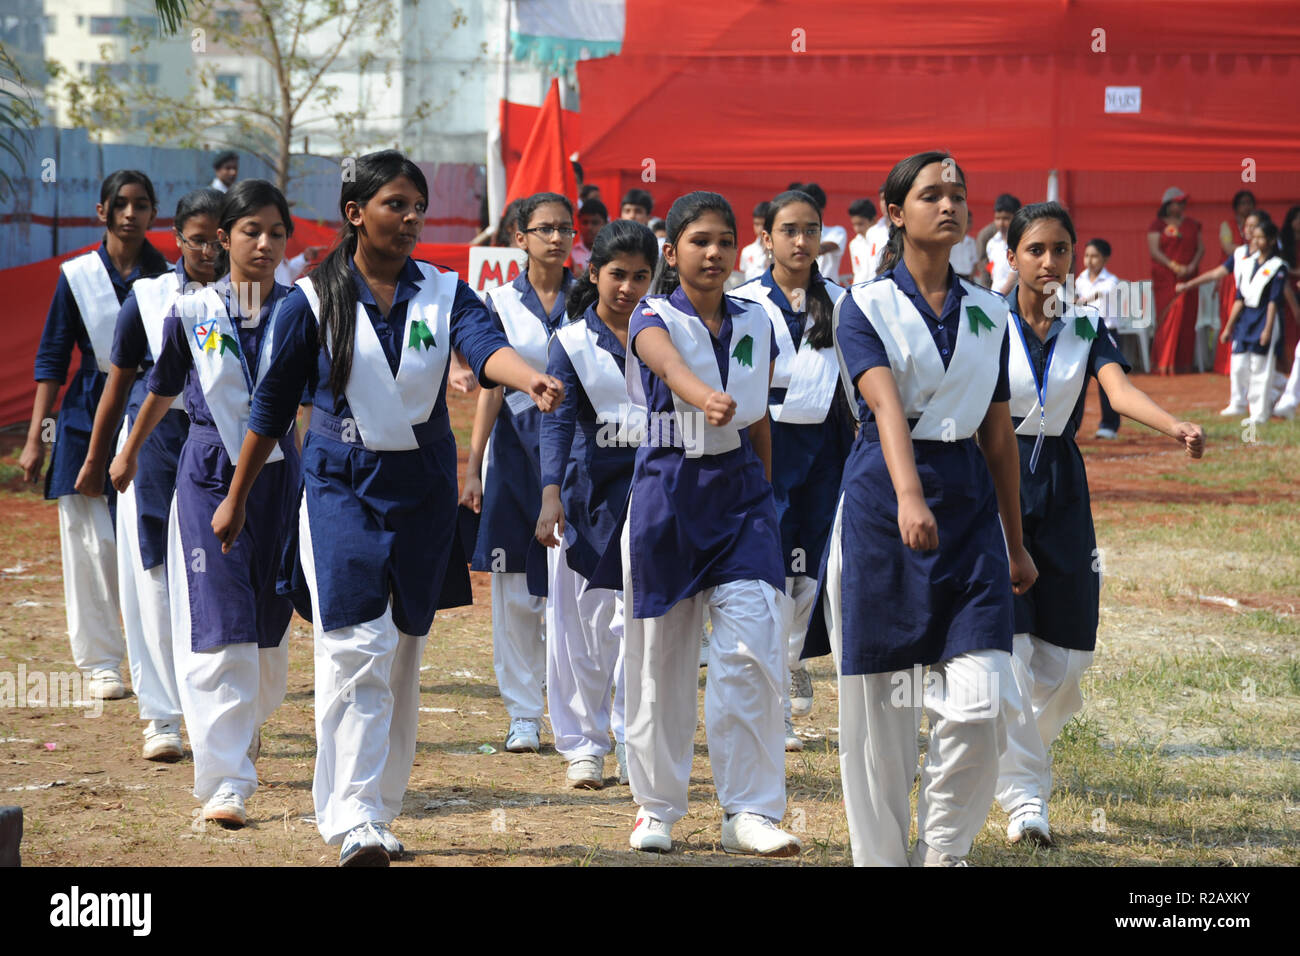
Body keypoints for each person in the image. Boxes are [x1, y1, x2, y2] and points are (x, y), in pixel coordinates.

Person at [210, 152, 561, 866]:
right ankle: (355, 815)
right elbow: (273, 408)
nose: (409, 219)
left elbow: (484, 346)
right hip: (340, 485)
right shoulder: (308, 300)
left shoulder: (446, 290)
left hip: (422, 492)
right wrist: (238, 497)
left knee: (402, 649)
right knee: (355, 645)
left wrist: (529, 379)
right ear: (354, 214)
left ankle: (371, 805)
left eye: (416, 208)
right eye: (394, 205)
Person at [804, 151, 1037, 867]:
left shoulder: (992, 312)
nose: (951, 205)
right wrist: (908, 496)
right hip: (882, 502)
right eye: (932, 194)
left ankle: (944, 849)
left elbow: (999, 436)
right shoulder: (862, 306)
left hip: (967, 512)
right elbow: (881, 403)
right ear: (894, 212)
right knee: (880, 712)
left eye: (958, 195)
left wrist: (1015, 541)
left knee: (979, 698)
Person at [591, 190, 801, 857]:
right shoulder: (652, 312)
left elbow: (760, 414)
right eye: (699, 241)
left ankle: (750, 811)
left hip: (740, 498)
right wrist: (703, 394)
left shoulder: (758, 320)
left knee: (752, 652)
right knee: (660, 663)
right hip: (668, 497)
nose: (713, 253)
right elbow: (665, 362)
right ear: (673, 251)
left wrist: (762, 488)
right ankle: (655, 808)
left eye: (723, 240)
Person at [996, 202, 1204, 845]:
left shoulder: (1086, 325)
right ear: (1011, 257)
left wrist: (1174, 425)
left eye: (1061, 249)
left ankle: (1017, 759)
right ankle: (1024, 796)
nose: (1050, 262)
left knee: (1068, 661)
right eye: (1036, 250)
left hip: (1060, 486)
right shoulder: (980, 319)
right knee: (1010, 651)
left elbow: (1116, 393)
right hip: (994, 478)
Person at [109, 179, 300, 833]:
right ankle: (225, 782)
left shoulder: (300, 311)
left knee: (269, 633)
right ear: (224, 238)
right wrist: (129, 451)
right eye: (252, 230)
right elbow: (160, 385)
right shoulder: (193, 311)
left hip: (280, 481)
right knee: (220, 628)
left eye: (277, 232)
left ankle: (243, 726)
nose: (265, 243)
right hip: (208, 479)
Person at [77, 187, 224, 761]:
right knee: (153, 577)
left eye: (219, 238)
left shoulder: (258, 298)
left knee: (220, 573)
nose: (209, 251)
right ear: (177, 240)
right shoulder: (148, 296)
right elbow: (118, 382)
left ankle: (226, 712)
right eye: (197, 239)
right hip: (155, 443)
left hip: (224, 444)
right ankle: (161, 716)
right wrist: (98, 458)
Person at [21, 170, 170, 702]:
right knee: (89, 543)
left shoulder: (168, 276)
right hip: (83, 415)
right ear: (103, 210)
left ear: (154, 214)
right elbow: (52, 357)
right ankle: (102, 662)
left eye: (142, 204)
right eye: (122, 204)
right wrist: (38, 436)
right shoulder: (78, 275)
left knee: (145, 543)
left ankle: (156, 660)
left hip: (148, 415)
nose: (132, 213)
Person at [537, 220, 656, 789]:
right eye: (617, 275)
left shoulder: (666, 335)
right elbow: (556, 423)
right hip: (588, 497)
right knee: (581, 628)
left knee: (643, 625)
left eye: (641, 276)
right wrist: (550, 494)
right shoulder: (571, 343)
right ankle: (584, 744)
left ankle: (636, 739)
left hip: (655, 491)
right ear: (593, 274)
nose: (628, 288)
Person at [731, 190, 852, 751]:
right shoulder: (744, 301)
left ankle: (792, 658)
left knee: (813, 570)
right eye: (789, 230)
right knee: (767, 570)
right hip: (766, 443)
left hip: (827, 446)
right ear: (766, 238)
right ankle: (773, 696)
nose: (801, 241)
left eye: (810, 230)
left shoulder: (846, 302)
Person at [461, 192, 576, 755]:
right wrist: (476, 465)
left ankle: (572, 708)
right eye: (544, 229)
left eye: (565, 228)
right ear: (518, 236)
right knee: (513, 592)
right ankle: (523, 714)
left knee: (573, 586)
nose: (556, 238)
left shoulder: (594, 297)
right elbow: (490, 387)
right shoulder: (498, 302)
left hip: (579, 456)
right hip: (513, 455)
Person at [1176, 209, 1269, 416]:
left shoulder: (1271, 255)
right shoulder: (1239, 253)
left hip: (1263, 313)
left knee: (1262, 364)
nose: (1250, 230)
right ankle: (1237, 402)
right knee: (1238, 362)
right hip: (1242, 313)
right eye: (1247, 225)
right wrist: (1189, 285)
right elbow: (1217, 273)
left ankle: (1266, 404)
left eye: (1255, 225)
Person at [1219, 220, 1288, 424]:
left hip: (1263, 318)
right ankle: (1239, 402)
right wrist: (1228, 327)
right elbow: (1240, 298)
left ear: (1272, 240)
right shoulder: (1248, 263)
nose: (1256, 241)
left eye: (1261, 237)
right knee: (1239, 364)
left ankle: (1259, 413)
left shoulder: (1277, 266)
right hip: (1245, 319)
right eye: (1254, 237)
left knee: (1260, 368)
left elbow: (1274, 302)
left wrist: (1267, 329)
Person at [1148, 187, 1204, 374]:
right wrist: (1173, 265)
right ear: (1168, 204)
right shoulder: (1157, 225)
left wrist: (1191, 266)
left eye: (1183, 202)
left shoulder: (1192, 224)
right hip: (1166, 279)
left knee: (1187, 318)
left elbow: (1200, 249)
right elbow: (1155, 251)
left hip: (1190, 277)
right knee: (1168, 319)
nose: (1181, 206)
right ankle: (1164, 364)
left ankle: (1183, 364)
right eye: (1177, 202)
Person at [1074, 238, 1123, 438]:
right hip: (1084, 332)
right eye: (1087, 256)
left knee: (1108, 382)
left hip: (1107, 334)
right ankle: (1072, 426)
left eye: (1094, 256)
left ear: (1105, 259)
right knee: (1077, 383)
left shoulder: (1112, 281)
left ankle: (1109, 426)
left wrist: (1081, 301)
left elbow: (1101, 294)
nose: (1089, 260)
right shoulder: (1080, 279)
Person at [985, 193, 1021, 296]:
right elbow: (991, 268)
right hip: (996, 297)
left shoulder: (1020, 243)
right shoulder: (992, 243)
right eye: (997, 218)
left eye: (1006, 218)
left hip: (1013, 299)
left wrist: (999, 297)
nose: (1001, 223)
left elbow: (1013, 277)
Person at [572, 198, 609, 273]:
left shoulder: (613, 253)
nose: (589, 227)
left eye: (595, 223)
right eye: (585, 222)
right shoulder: (571, 254)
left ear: (606, 224)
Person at [847, 198, 878, 285]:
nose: (857, 229)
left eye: (860, 224)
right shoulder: (854, 244)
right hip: (860, 293)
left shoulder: (884, 238)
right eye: (854, 224)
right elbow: (857, 273)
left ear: (874, 220)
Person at [738, 201, 771, 281]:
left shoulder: (779, 251)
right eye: (756, 224)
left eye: (763, 225)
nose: (760, 229)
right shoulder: (747, 251)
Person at [864, 186, 890, 279]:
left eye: (890, 198)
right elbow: (868, 267)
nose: (886, 203)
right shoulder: (872, 232)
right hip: (874, 286)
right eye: (883, 199)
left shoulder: (907, 229)